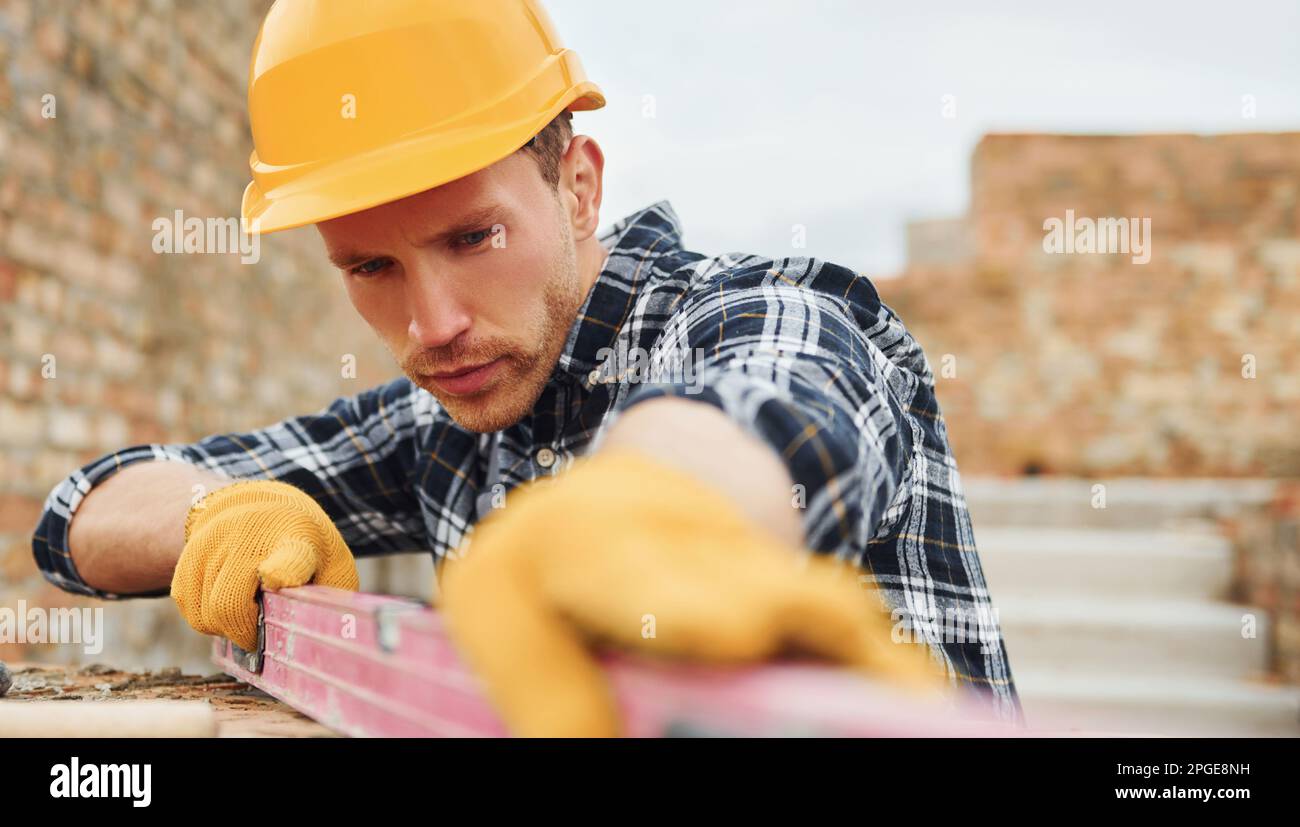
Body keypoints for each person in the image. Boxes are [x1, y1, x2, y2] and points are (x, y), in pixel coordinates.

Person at [31, 0, 1019, 735]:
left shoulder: (761, 312)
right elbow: (77, 511)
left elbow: (774, 394)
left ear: (578, 185)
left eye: (473, 236)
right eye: (370, 266)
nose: (432, 323)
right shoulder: (443, 426)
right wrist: (218, 512)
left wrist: (644, 508)